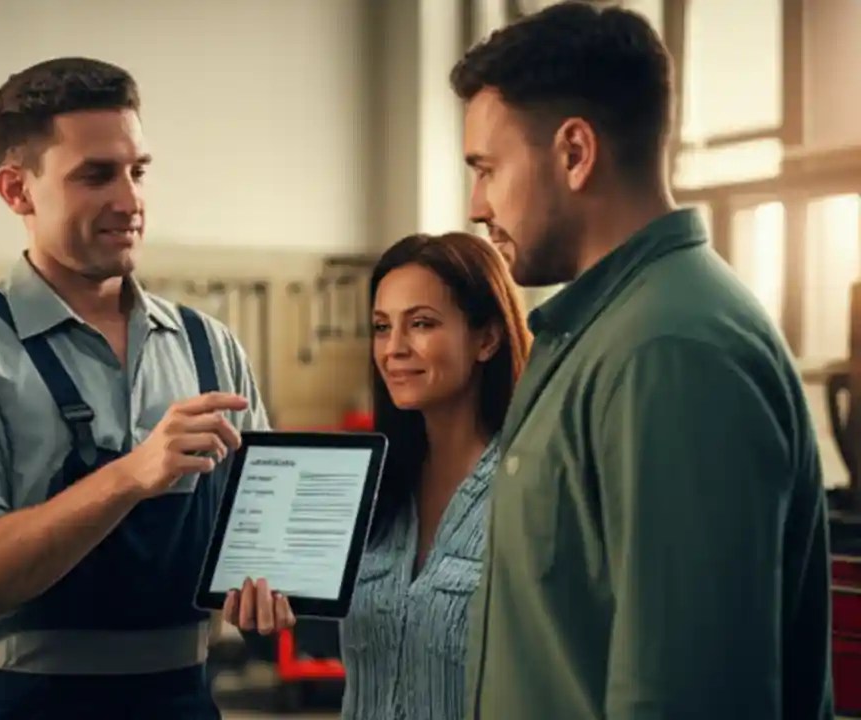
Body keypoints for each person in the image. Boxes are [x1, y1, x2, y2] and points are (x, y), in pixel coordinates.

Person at [450, 4, 834, 719]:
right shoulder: (600, 331)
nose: (476, 205)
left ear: (575, 152)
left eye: (487, 170)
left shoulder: (670, 352)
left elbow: (687, 696)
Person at [0, 56, 293, 720]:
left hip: (183, 699)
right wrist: (132, 475)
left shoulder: (208, 346)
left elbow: (263, 539)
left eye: (138, 171)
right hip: (26, 705)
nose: (130, 201)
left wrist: (273, 581)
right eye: (97, 175)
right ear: (17, 190)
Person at [337, 232, 531, 720]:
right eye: (382, 327)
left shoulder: (531, 486)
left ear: (487, 338)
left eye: (421, 324)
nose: (394, 349)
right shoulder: (374, 488)